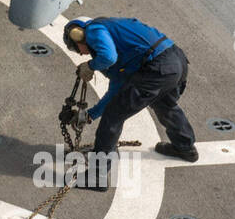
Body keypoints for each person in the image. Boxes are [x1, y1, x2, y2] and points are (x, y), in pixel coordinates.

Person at [63, 16, 197, 190]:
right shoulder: (120, 44)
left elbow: (108, 56)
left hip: (157, 68)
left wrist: (90, 65)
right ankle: (185, 147)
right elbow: (115, 93)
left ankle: (97, 176)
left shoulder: (93, 30)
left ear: (77, 34)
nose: (82, 53)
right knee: (165, 105)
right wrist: (90, 115)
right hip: (175, 61)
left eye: (77, 49)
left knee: (112, 119)